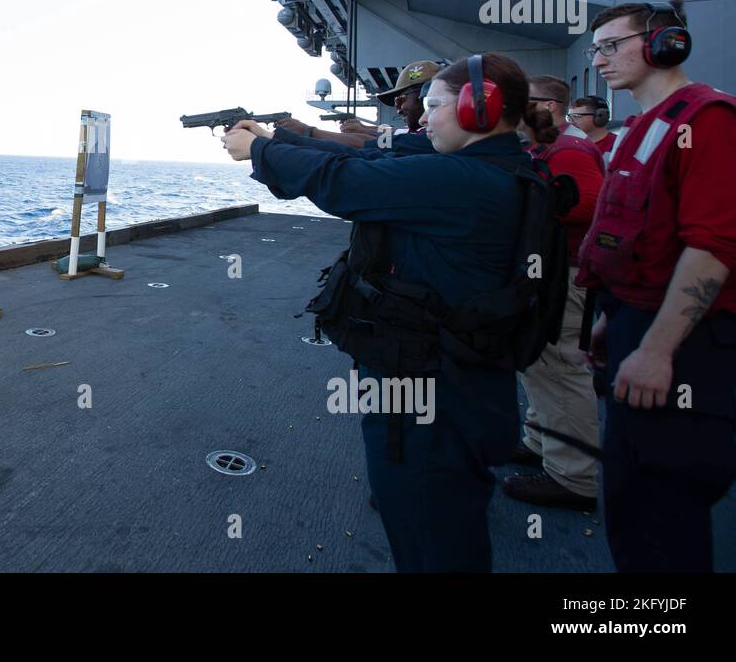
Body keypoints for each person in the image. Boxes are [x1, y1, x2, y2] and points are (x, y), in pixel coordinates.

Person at [221, 53, 542, 572]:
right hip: (453, 378)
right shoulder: (492, 166)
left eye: (435, 105)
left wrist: (258, 149)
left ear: (477, 109)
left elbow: (346, 182)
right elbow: (374, 159)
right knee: (440, 518)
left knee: (428, 528)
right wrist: (277, 143)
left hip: (430, 390)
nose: (425, 117)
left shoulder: (462, 180)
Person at [576, 0, 736, 573]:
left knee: (664, 514)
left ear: (666, 43)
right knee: (631, 497)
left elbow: (713, 246)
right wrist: (611, 317)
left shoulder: (707, 120)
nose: (598, 61)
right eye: (596, 49)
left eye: (611, 46)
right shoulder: (645, 126)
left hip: (686, 347)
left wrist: (657, 348)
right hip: (634, 324)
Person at [506, 76, 605, 510]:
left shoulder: (568, 150)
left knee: (561, 368)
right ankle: (540, 443)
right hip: (550, 272)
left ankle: (574, 479)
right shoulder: (553, 146)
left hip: (564, 275)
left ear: (547, 105)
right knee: (540, 365)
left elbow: (587, 203)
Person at [275, 60, 440, 145]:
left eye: (400, 100)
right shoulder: (421, 134)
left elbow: (368, 145)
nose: (398, 108)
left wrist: (309, 132)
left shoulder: (428, 139)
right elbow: (395, 133)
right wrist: (364, 128)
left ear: (426, 96)